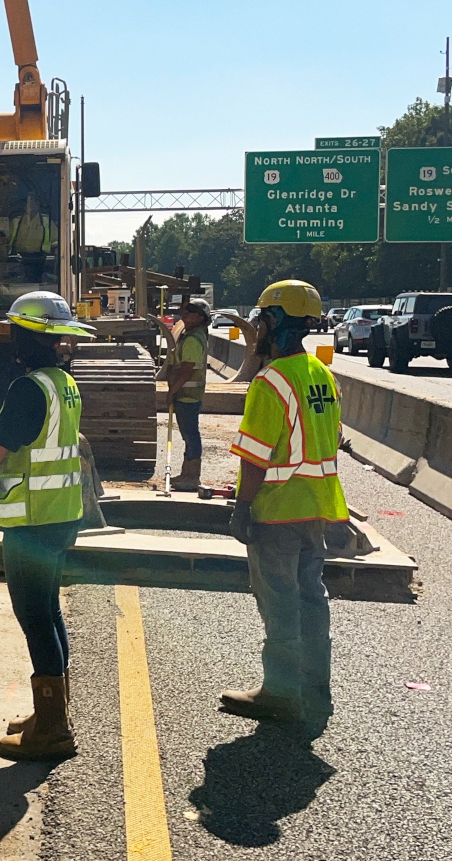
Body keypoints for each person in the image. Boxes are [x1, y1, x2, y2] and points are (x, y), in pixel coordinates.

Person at [0, 291, 95, 761]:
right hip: (62, 515)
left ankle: (52, 731)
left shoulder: (29, 387)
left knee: (34, 617)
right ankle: (53, 714)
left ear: (28, 337)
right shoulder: (64, 383)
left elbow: (1, 443)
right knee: (48, 611)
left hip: (33, 520)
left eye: (15, 331)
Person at [222, 279, 348, 734]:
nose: (257, 328)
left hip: (277, 510)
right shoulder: (322, 375)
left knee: (279, 602)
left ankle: (279, 693)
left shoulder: (271, 381)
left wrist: (242, 507)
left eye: (261, 319)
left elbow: (256, 455)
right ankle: (315, 688)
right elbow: (333, 440)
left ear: (275, 321)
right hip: (317, 508)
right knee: (312, 599)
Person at [166, 297, 211, 490]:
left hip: (188, 396)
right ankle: (187, 474)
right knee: (188, 434)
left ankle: (192, 476)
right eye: (186, 309)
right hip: (187, 395)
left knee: (191, 435)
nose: (186, 313)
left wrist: (172, 391)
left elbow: (186, 370)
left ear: (201, 318)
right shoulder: (190, 335)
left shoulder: (193, 340)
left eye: (192, 311)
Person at [9, 193, 54, 283]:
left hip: (38, 261)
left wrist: (52, 249)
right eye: (28, 202)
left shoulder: (46, 221)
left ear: (38, 204)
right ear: (24, 206)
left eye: (33, 201)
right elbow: (6, 241)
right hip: (18, 261)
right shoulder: (15, 221)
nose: (30, 205)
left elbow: (57, 241)